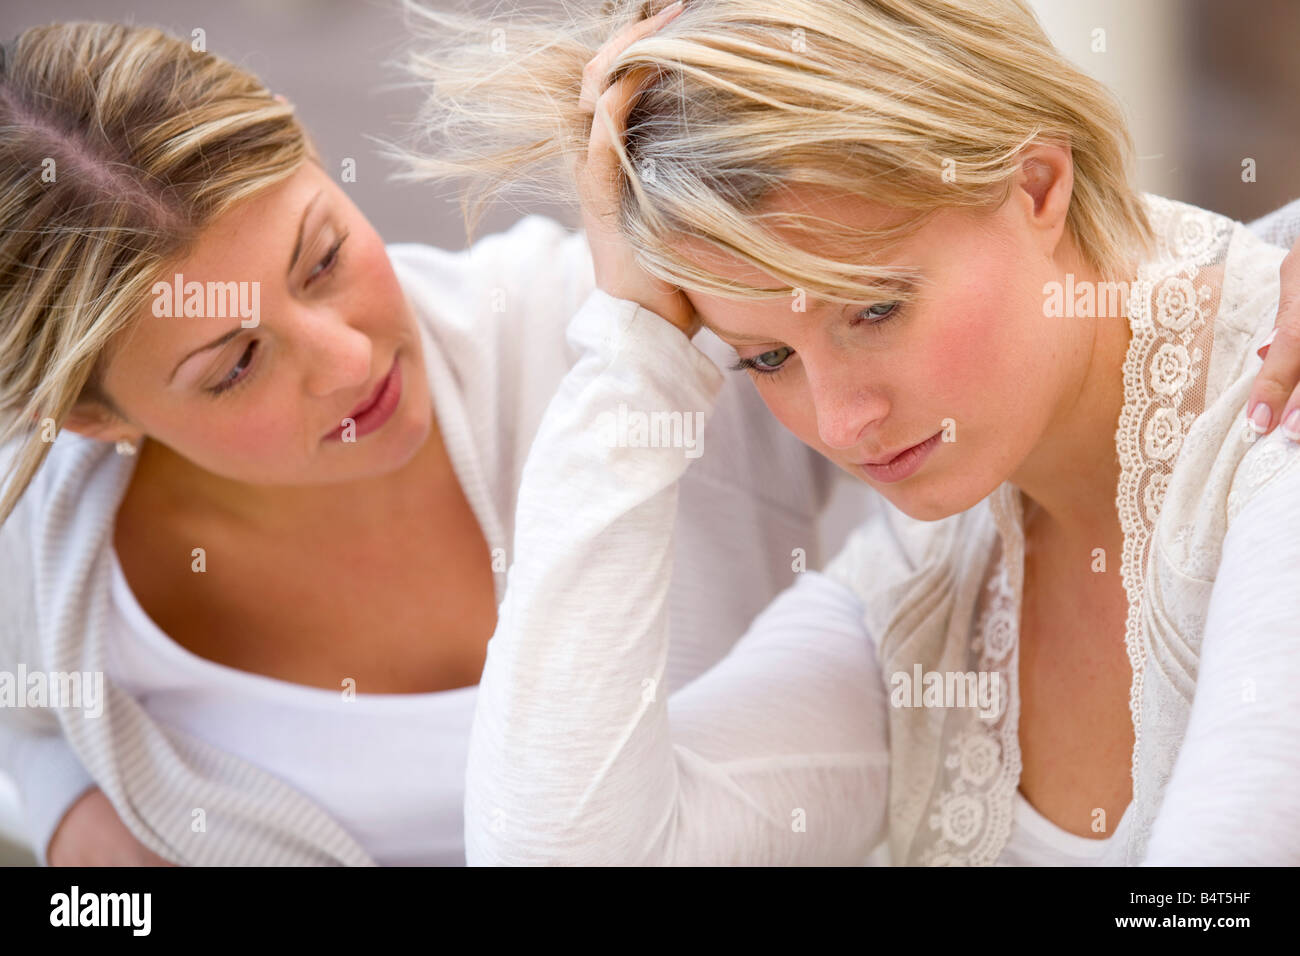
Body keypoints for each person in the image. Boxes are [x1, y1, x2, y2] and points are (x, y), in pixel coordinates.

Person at [407, 0, 1300, 865]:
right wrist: (631, 345)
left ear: (1036, 183)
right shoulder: (932, 576)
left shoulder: (1280, 422)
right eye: (765, 358)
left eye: (875, 309)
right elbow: (561, 852)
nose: (840, 423)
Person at [0, 20, 840, 865]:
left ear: (312, 149)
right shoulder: (38, 542)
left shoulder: (628, 332)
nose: (351, 359)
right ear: (92, 418)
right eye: (237, 363)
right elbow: (24, 714)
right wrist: (69, 811)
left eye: (321, 259)